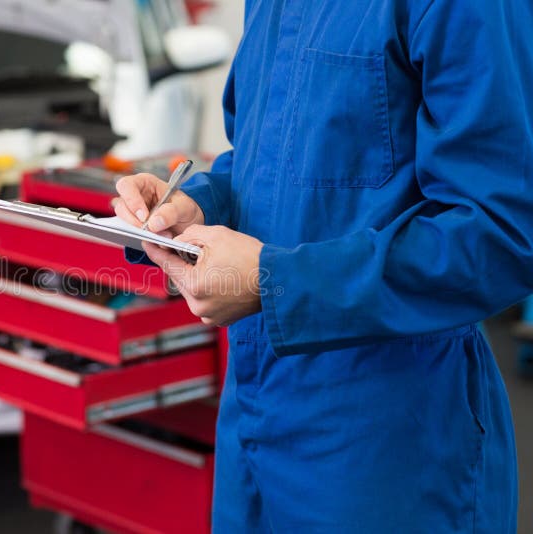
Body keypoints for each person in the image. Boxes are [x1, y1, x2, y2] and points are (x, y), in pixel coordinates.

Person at [113, 0, 533, 531]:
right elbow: (263, 165)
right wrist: (198, 203)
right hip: (254, 412)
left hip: (387, 438)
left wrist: (279, 283)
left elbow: (501, 231)